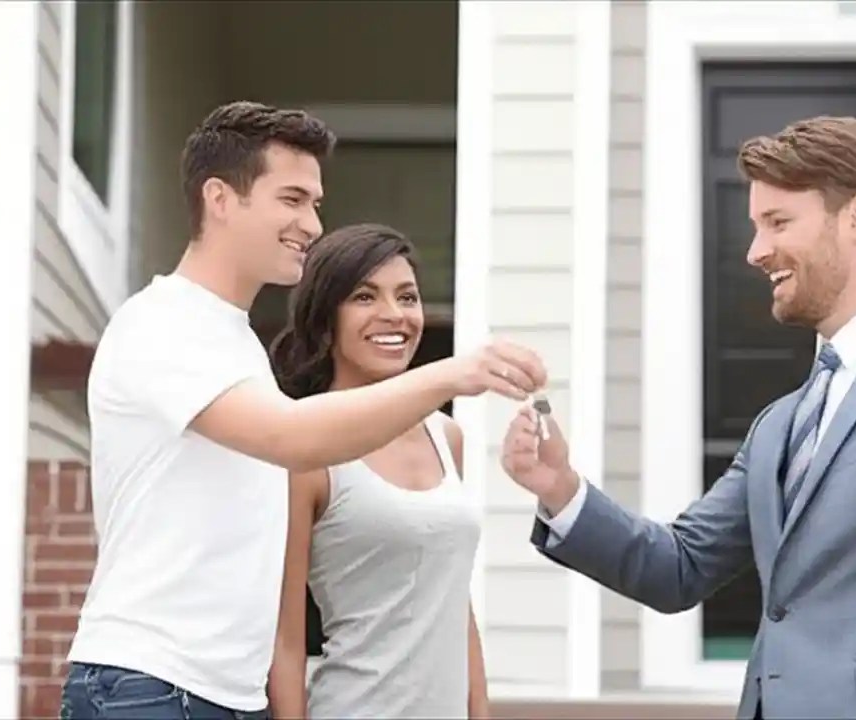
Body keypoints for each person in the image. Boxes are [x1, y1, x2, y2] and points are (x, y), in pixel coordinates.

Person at [501, 116, 856, 719]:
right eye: (755, 226)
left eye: (778, 222)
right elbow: (678, 567)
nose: (755, 251)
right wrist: (558, 488)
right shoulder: (780, 424)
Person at [59, 102, 545, 719]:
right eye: (291, 199)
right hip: (149, 686)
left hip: (223, 694)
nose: (312, 224)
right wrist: (453, 373)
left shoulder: (235, 345)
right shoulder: (163, 325)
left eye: (315, 203)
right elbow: (292, 436)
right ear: (220, 198)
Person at [264, 223, 488, 719]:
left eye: (407, 297)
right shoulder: (307, 445)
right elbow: (284, 635)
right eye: (365, 297)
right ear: (327, 318)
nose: (394, 315)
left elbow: (456, 604)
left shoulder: (447, 437)